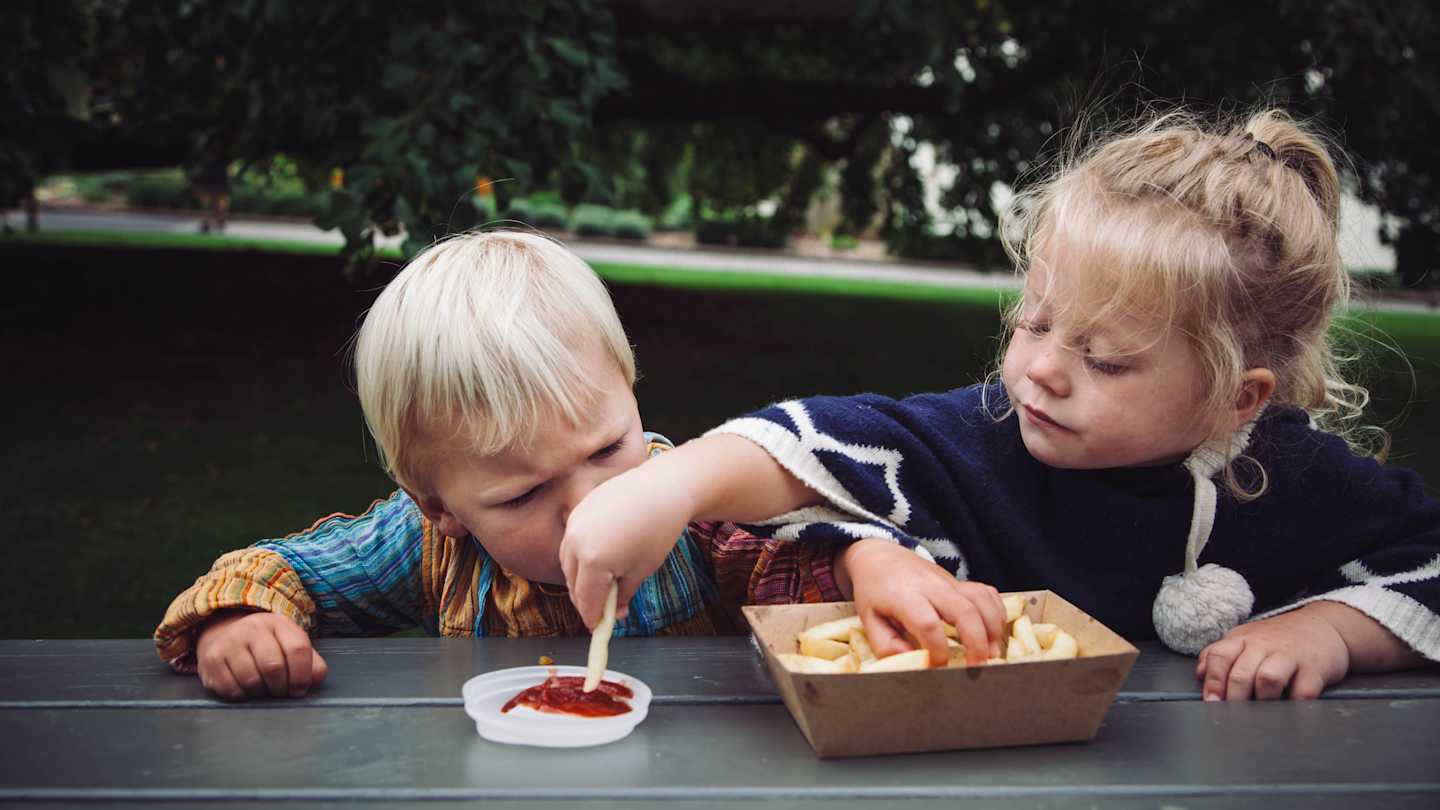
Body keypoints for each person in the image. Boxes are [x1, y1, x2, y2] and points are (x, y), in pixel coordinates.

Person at [558, 109, 1440, 701]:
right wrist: (661, 491)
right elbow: (819, 440)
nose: (1043, 371)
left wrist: (1337, 630)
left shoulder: (1295, 477)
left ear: (1231, 399)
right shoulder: (983, 438)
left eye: (1103, 358)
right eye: (1035, 321)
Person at [154, 230, 843, 700]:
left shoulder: (691, 516)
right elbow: (278, 572)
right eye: (523, 495)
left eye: (607, 450)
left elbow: (799, 568)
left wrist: (860, 565)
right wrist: (242, 623)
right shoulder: (424, 548)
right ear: (442, 508)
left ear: (630, 394)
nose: (593, 506)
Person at [190, 155, 230, 234]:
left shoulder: (207, 166)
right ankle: (213, 224)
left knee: (209, 207)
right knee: (217, 207)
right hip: (217, 188)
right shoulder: (221, 166)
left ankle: (208, 224)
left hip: (213, 188)